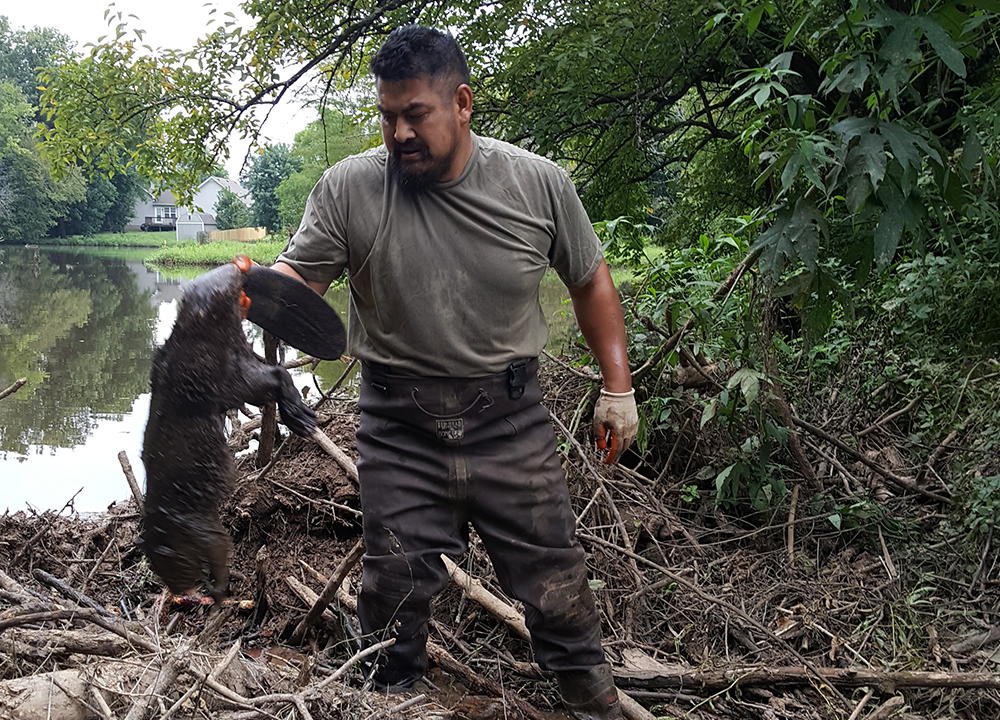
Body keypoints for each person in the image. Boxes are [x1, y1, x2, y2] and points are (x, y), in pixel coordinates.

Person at [272, 25, 638, 720]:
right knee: (395, 586)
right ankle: (393, 697)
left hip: (510, 421)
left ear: (463, 103)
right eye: (387, 117)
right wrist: (253, 294)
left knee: (556, 583)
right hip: (399, 424)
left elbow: (590, 280)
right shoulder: (350, 188)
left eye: (416, 114)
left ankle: (592, 698)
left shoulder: (535, 184)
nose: (399, 132)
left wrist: (617, 388)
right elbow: (298, 282)